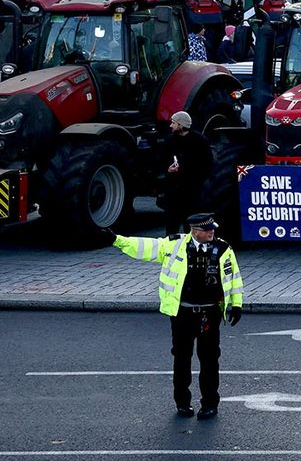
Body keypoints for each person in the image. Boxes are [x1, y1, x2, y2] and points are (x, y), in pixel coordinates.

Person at [101, 212, 243, 420]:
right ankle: (182, 403)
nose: (212, 232)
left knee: (210, 359)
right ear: (194, 231)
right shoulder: (174, 245)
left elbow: (234, 277)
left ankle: (210, 404)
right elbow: (145, 247)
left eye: (212, 229)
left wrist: (236, 305)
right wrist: (117, 240)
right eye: (207, 229)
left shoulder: (223, 249)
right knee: (181, 358)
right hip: (183, 313)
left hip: (209, 314)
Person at [161, 111, 215, 235]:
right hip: (174, 189)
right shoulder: (170, 140)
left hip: (192, 190)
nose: (171, 126)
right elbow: (161, 160)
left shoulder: (199, 141)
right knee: (171, 223)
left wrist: (196, 179)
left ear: (181, 125)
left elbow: (207, 164)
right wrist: (168, 169)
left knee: (190, 221)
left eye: (173, 123)